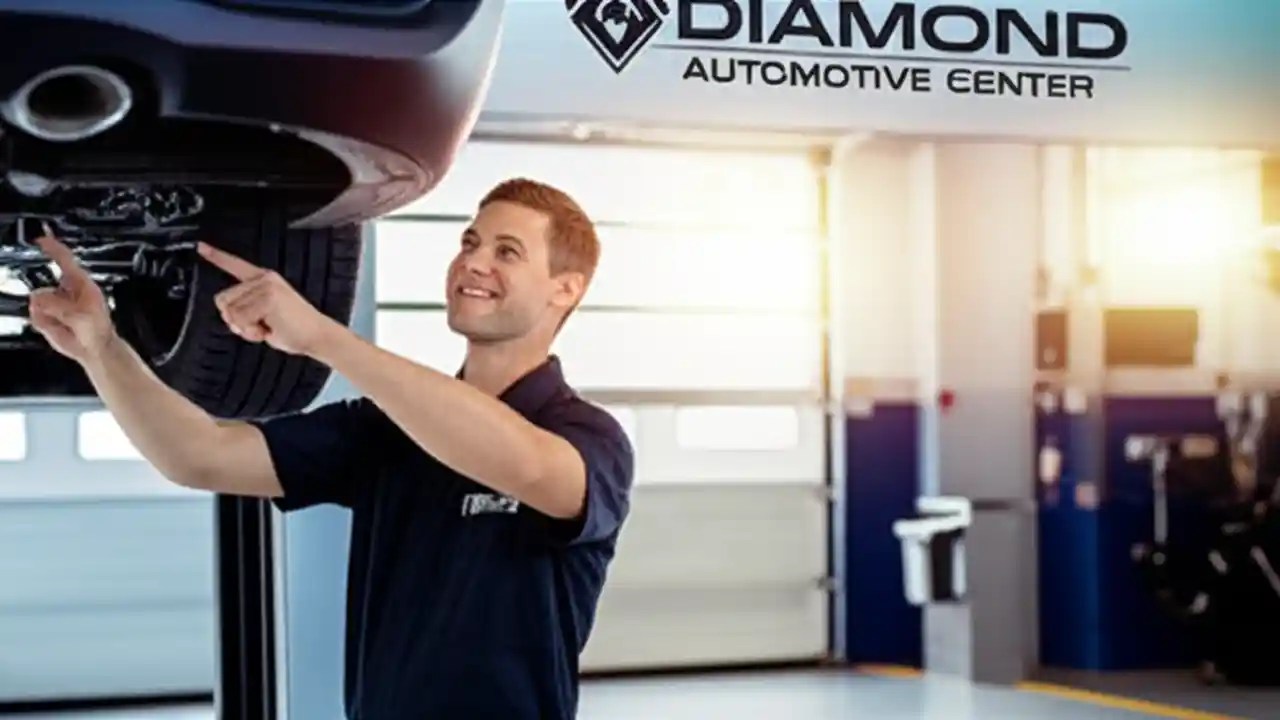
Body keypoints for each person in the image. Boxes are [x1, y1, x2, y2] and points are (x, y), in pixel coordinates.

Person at [26, 178, 636, 720]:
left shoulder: (587, 437)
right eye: (470, 242)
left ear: (565, 289)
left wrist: (322, 337)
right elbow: (200, 454)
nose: (474, 262)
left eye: (507, 252)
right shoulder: (387, 430)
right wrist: (101, 349)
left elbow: (526, 466)